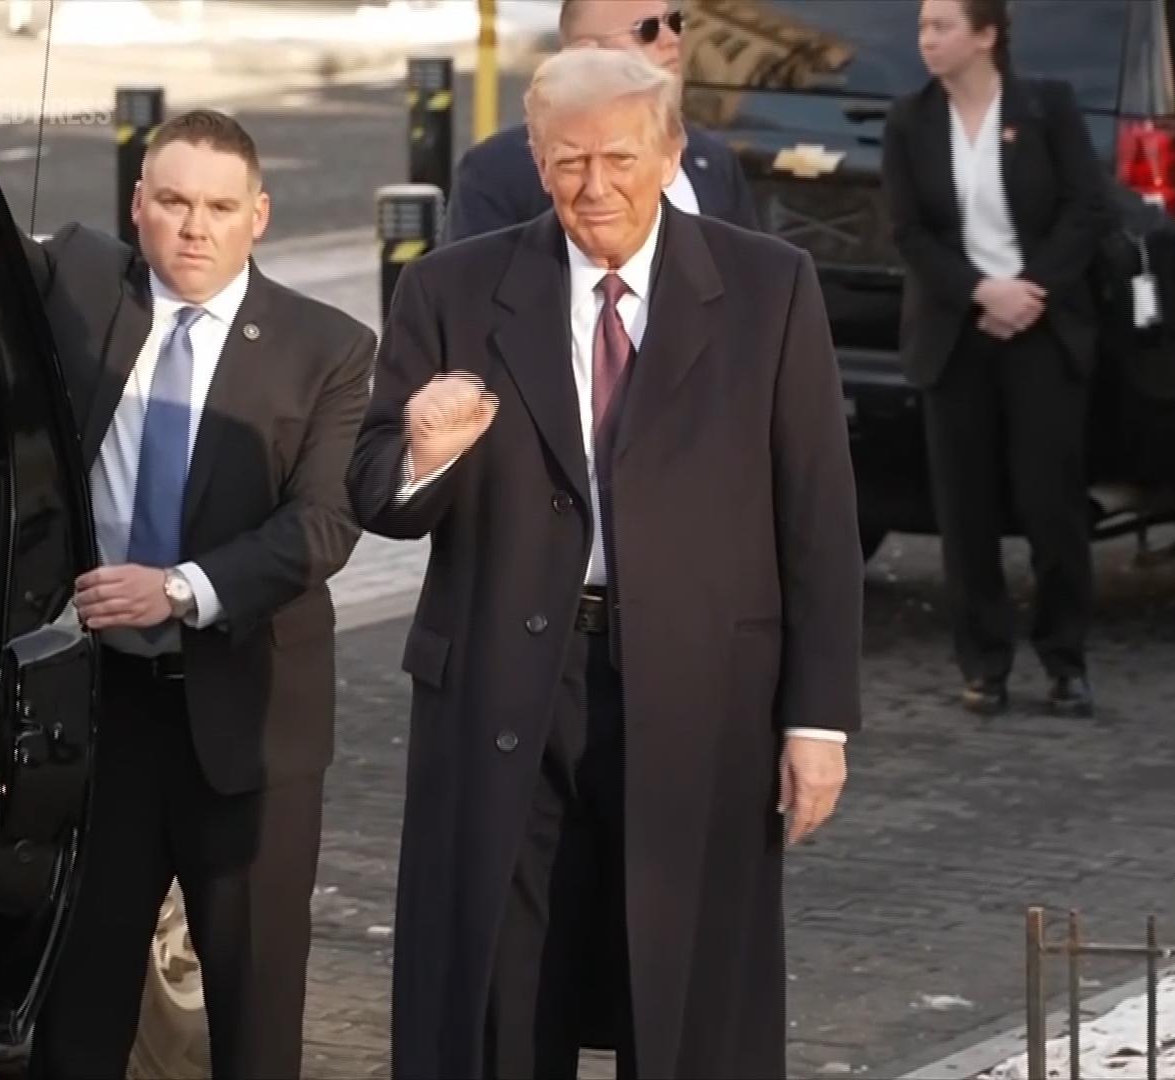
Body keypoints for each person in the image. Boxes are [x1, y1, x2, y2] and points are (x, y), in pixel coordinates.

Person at [350, 47, 862, 1080]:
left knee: (683, 998)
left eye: (621, 158)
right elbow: (372, 491)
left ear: (671, 153)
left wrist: (817, 720)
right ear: (536, 163)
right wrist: (425, 454)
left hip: (701, 696)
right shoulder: (455, 287)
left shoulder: (770, 290)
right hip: (502, 689)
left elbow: (816, 516)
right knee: (499, 989)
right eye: (569, 161)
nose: (596, 186)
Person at [0, 42, 377, 1080]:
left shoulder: (327, 345)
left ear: (260, 215)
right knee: (84, 998)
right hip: (104, 711)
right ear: (138, 203)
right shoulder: (79, 279)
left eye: (217, 207)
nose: (193, 228)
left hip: (249, 721)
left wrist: (183, 590)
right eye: (171, 202)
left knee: (253, 1007)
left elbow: (323, 528)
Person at [880, 0, 1110, 718]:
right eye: (922, 28)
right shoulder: (909, 121)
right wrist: (981, 292)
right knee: (965, 509)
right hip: (956, 331)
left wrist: (1029, 291)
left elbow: (1088, 209)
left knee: (1051, 503)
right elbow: (909, 233)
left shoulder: (1046, 108)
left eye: (942, 26)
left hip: (1040, 327)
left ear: (986, 36)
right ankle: (983, 663)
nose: (927, 40)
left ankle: (1065, 660)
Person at [444, 0, 759, 242]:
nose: (671, 40)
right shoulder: (499, 170)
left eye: (674, 23)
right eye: (647, 30)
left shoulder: (713, 160)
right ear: (585, 53)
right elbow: (469, 300)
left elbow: (751, 286)